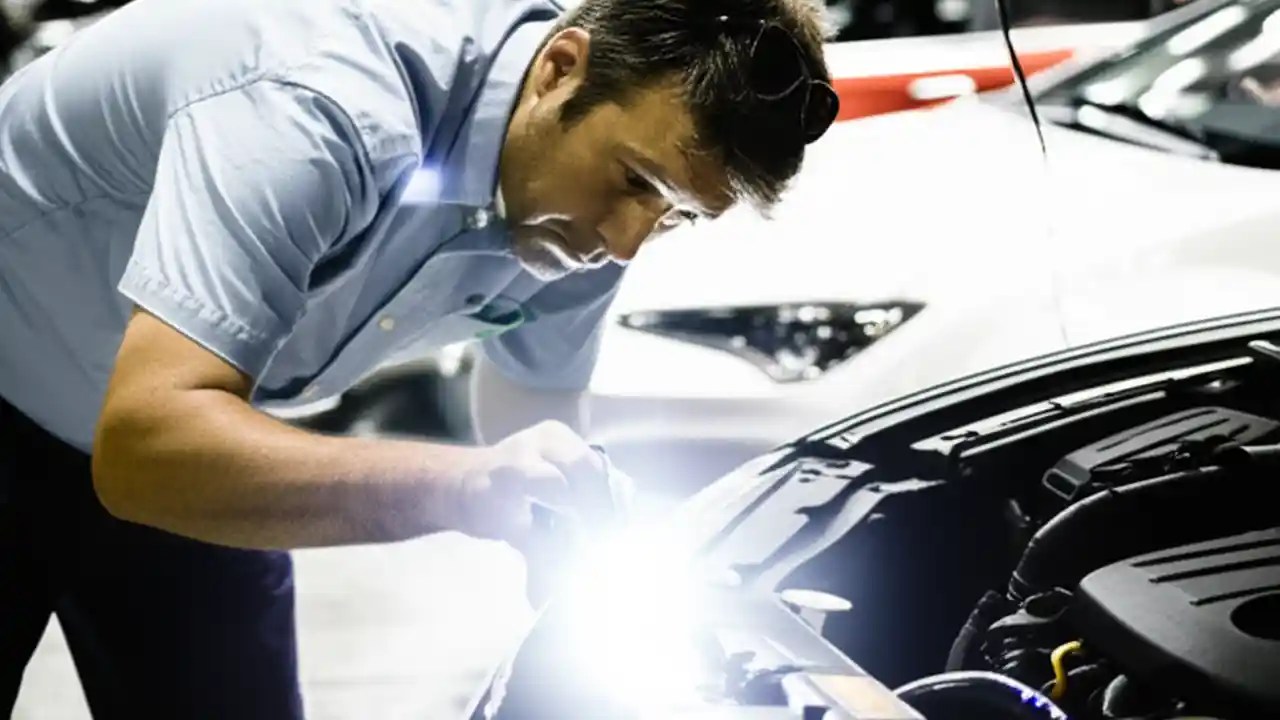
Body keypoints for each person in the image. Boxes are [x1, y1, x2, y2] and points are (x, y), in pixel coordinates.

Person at [0, 0, 837, 716]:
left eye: (676, 215)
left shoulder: (577, 217)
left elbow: (535, 426)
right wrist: (462, 487)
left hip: (187, 436)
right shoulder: (317, 104)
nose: (624, 243)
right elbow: (146, 452)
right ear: (560, 69)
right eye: (636, 181)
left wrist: (598, 558)